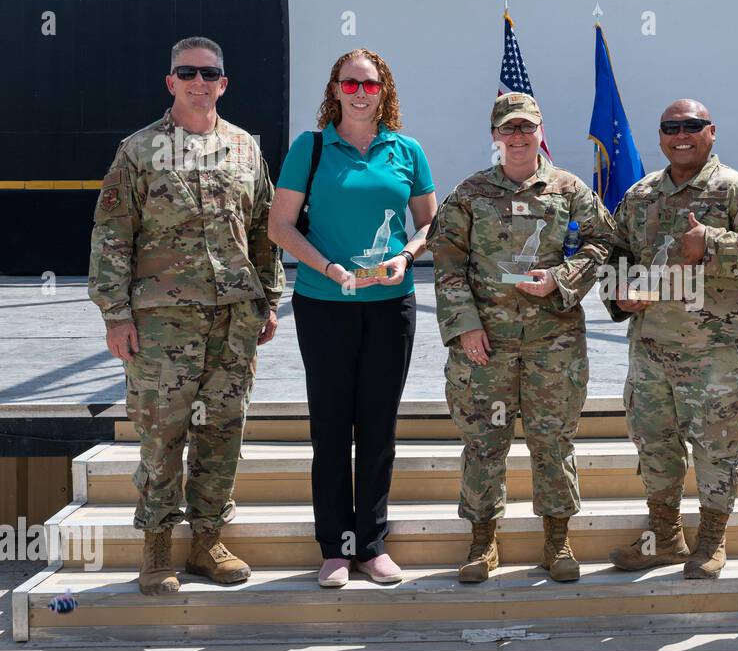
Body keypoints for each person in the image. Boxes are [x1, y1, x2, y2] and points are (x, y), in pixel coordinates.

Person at [88, 36, 284, 595]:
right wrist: (115, 315)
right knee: (161, 433)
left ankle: (207, 542)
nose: (199, 81)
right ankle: (155, 550)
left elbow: (264, 233)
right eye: (187, 72)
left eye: (210, 73)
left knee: (222, 432)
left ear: (224, 83)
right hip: (161, 325)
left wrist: (268, 301)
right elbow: (111, 236)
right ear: (170, 81)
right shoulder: (139, 150)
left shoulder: (247, 149)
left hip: (234, 323)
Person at [429, 92, 617, 583]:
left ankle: (557, 542)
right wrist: (464, 324)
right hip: (484, 343)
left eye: (525, 128)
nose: (517, 137)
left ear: (540, 131)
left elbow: (604, 243)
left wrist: (561, 278)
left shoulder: (569, 189)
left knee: (553, 442)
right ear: (495, 135)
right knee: (483, 443)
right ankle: (482, 543)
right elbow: (447, 262)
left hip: (552, 342)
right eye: (508, 129)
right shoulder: (469, 194)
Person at [269, 48, 436, 588]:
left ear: (384, 89)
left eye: (370, 84)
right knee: (332, 428)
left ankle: (372, 544)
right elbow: (281, 226)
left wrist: (406, 256)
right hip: (324, 305)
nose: (360, 92)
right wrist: (328, 268)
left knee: (379, 428)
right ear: (335, 89)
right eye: (350, 83)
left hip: (391, 306)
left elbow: (431, 224)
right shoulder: (311, 148)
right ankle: (336, 548)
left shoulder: (406, 151)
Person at [604, 99, 738, 579]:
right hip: (651, 350)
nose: (680, 135)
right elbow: (613, 253)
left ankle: (711, 542)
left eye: (691, 126)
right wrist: (619, 296)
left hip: (715, 351)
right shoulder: (640, 194)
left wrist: (713, 243)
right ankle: (665, 539)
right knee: (655, 446)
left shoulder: (737, 192)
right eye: (670, 127)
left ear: (711, 131)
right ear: (660, 135)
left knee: (716, 448)